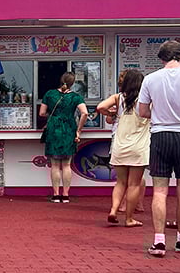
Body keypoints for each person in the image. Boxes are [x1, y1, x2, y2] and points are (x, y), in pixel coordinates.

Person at [138, 41, 180, 256]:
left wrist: (159, 116)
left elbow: (142, 111)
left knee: (159, 190)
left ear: (161, 58)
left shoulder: (150, 79)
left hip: (160, 135)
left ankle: (159, 241)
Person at [97, 69, 150, 227]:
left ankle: (113, 210)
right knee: (134, 184)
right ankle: (129, 218)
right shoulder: (147, 100)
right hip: (139, 147)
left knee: (120, 182)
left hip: (119, 145)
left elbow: (100, 107)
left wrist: (113, 114)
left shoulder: (118, 98)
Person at [39, 72, 88, 202]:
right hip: (69, 129)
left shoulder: (49, 94)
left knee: (55, 165)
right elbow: (85, 113)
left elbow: (42, 113)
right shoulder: (75, 97)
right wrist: (79, 130)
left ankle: (55, 195)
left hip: (53, 129)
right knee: (66, 165)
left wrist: (52, 115)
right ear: (73, 83)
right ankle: (65, 195)